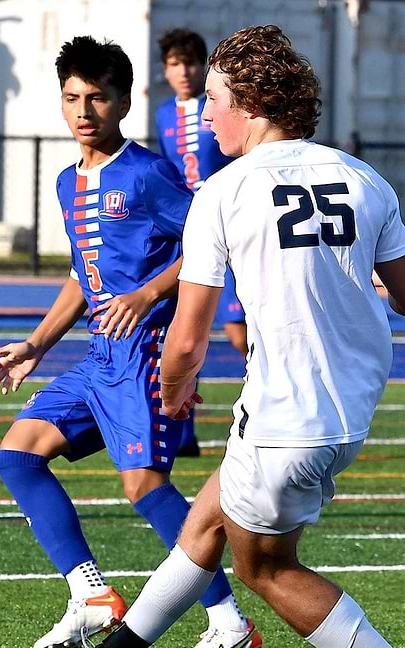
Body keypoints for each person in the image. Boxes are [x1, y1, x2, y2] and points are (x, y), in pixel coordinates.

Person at [42, 25, 405, 648]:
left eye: (213, 100)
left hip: (285, 415)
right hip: (345, 411)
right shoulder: (364, 178)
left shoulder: (226, 191)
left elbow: (190, 335)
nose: (203, 117)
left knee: (262, 567)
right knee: (205, 522)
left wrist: (173, 394)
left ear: (255, 104)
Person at [0, 35, 260, 648]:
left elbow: (208, 242)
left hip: (146, 353)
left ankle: (228, 622)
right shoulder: (66, 181)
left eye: (98, 98)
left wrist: (148, 292)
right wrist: (36, 343)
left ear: (123, 102)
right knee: (17, 456)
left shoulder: (148, 173)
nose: (84, 110)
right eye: (72, 98)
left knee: (144, 486)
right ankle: (89, 592)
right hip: (100, 355)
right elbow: (85, 274)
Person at [154, 28, 248, 456]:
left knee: (238, 333)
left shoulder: (220, 109)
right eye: (175, 63)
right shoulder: (162, 116)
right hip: (188, 236)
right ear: (165, 70)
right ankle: (184, 432)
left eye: (191, 62)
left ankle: (266, 401)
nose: (184, 71)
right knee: (184, 328)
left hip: (230, 227)